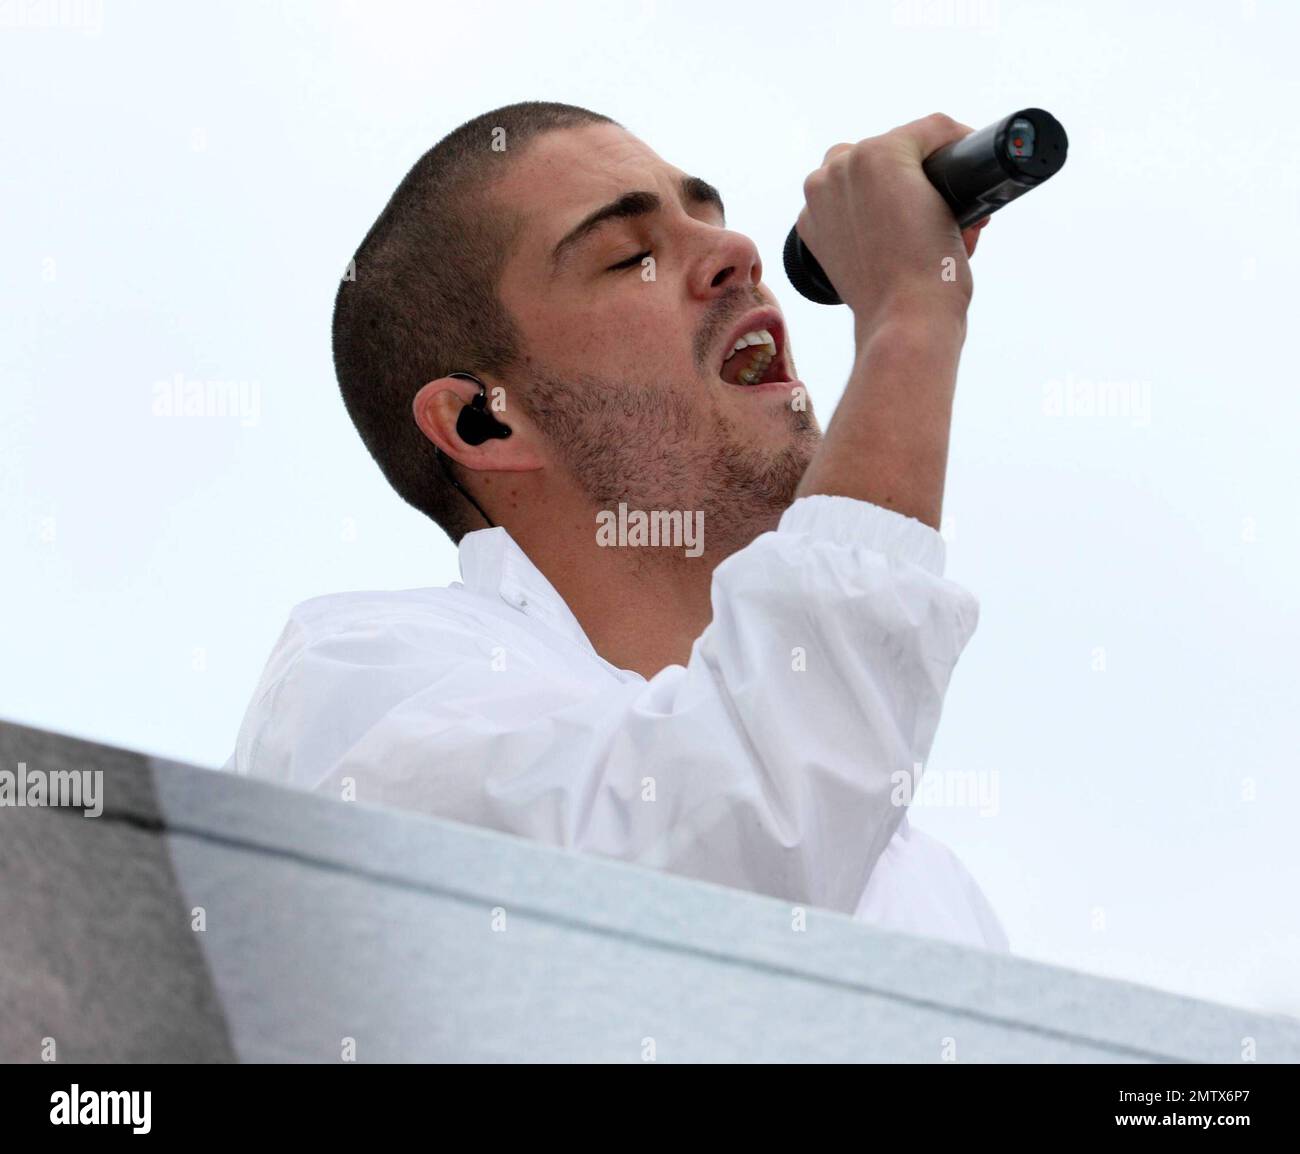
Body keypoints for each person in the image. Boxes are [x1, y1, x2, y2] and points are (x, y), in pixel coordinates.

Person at [224, 101, 1007, 952]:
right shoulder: (365, 689)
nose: (738, 255)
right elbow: (708, 892)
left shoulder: (928, 891)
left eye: (712, 219)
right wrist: (908, 324)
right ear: (485, 422)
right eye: (631, 257)